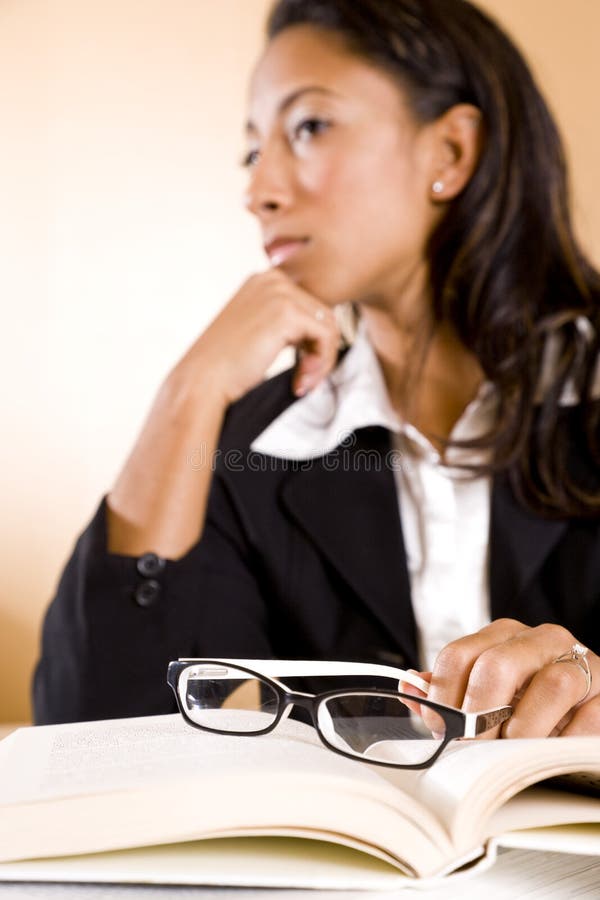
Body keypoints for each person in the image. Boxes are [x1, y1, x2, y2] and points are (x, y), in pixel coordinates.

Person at [34, 0, 600, 739]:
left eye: (308, 127)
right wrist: (189, 390)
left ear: (451, 154)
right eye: (250, 151)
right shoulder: (255, 447)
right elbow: (92, 735)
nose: (258, 190)